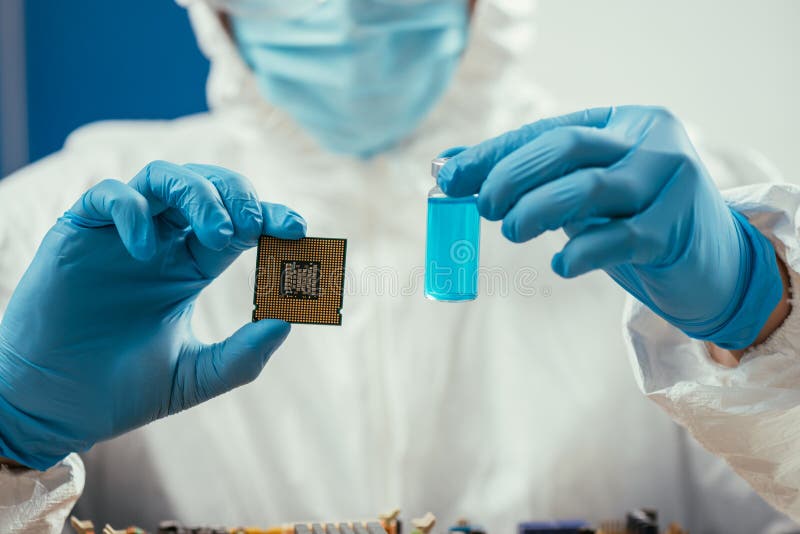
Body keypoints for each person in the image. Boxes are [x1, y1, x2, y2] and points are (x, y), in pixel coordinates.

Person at [1, 0, 799, 532]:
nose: (345, 12)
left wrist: (764, 322)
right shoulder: (69, 222)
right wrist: (12, 439)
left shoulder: (682, 198)